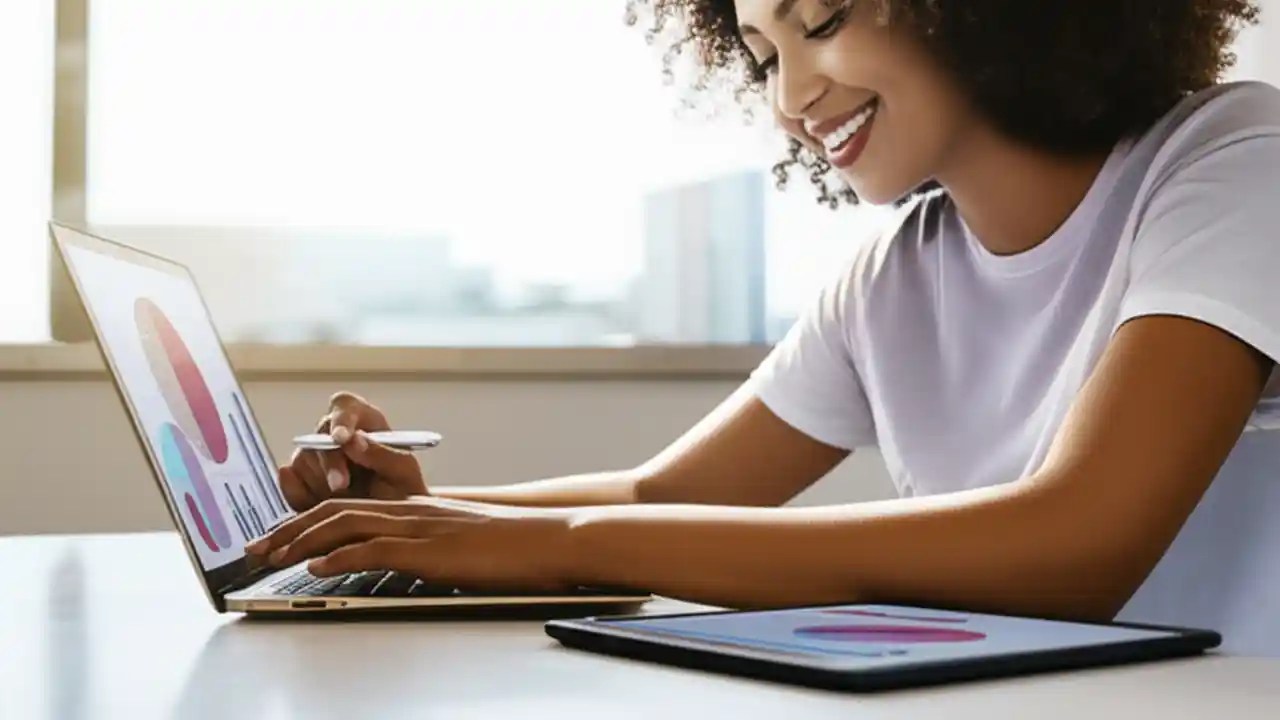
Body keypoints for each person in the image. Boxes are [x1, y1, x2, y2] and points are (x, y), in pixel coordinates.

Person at [246, 0, 1280, 654]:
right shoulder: (893, 275)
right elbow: (663, 494)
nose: (789, 97)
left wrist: (552, 542)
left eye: (820, 22)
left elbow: (1076, 543)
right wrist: (430, 515)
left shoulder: (1233, 161)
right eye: (758, 50)